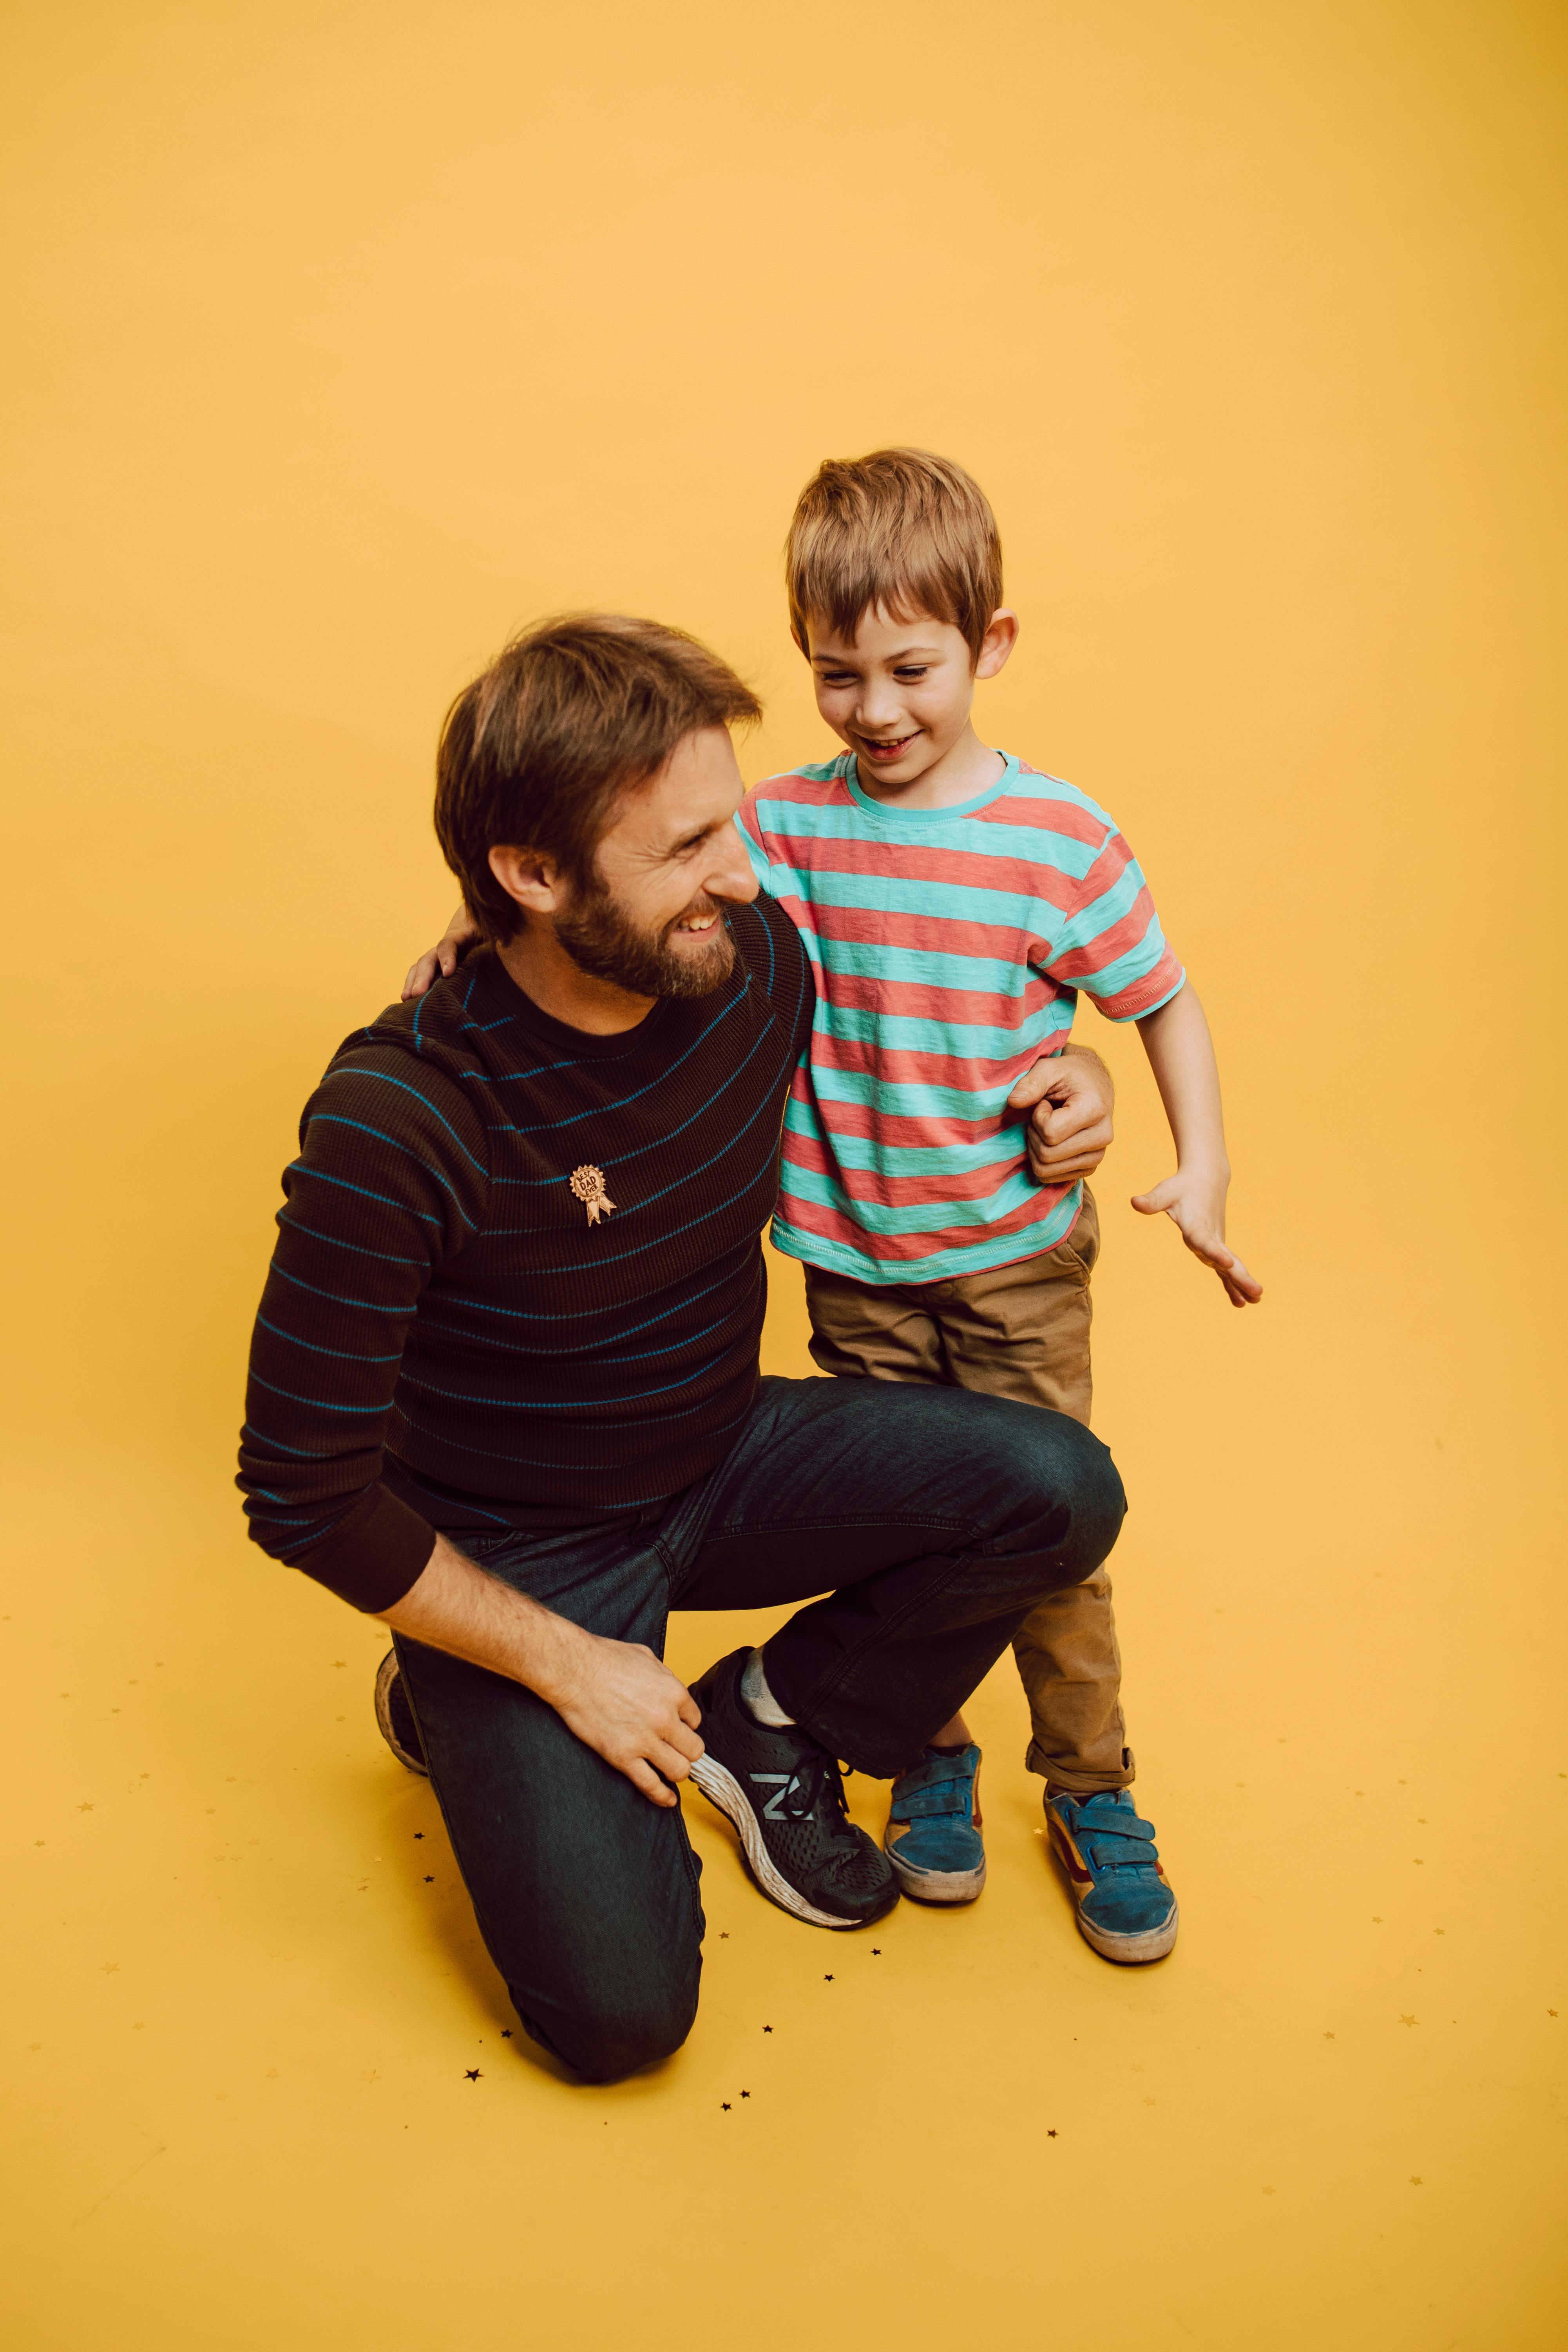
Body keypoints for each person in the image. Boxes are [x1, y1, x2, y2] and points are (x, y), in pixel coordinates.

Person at [238, 613, 1127, 2083]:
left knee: (1060, 1486)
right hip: (524, 1551)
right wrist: (562, 1664)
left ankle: (773, 1719)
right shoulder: (397, 1120)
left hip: (726, 1458)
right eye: (687, 846)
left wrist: (1075, 1067)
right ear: (532, 877)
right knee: (619, 2019)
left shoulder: (751, 961)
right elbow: (300, 1493)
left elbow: (940, 1034)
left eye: (734, 822)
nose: (745, 873)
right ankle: (451, 1685)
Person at [410, 452, 1261, 1968]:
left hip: (1010, 1259)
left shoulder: (1059, 838)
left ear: (991, 646)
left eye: (911, 669)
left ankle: (1091, 1785)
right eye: (835, 673)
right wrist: (479, 928)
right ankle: (921, 1755)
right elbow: (622, 871)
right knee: (900, 1534)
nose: (874, 709)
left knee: (1053, 1536)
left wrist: (1190, 1155)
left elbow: (1160, 996)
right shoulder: (782, 824)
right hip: (851, 1262)